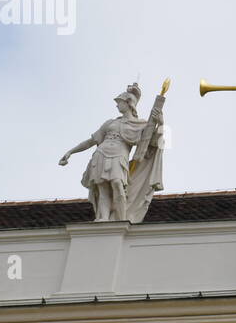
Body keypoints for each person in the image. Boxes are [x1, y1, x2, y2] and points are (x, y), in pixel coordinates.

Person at [59, 83, 163, 222]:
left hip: (120, 155)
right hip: (101, 154)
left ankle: (120, 220)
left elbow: (156, 141)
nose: (117, 105)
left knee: (117, 184)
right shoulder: (110, 123)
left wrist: (161, 123)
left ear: (128, 103)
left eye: (119, 102)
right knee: (102, 188)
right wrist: (71, 152)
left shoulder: (141, 124)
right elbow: (91, 141)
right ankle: (103, 218)